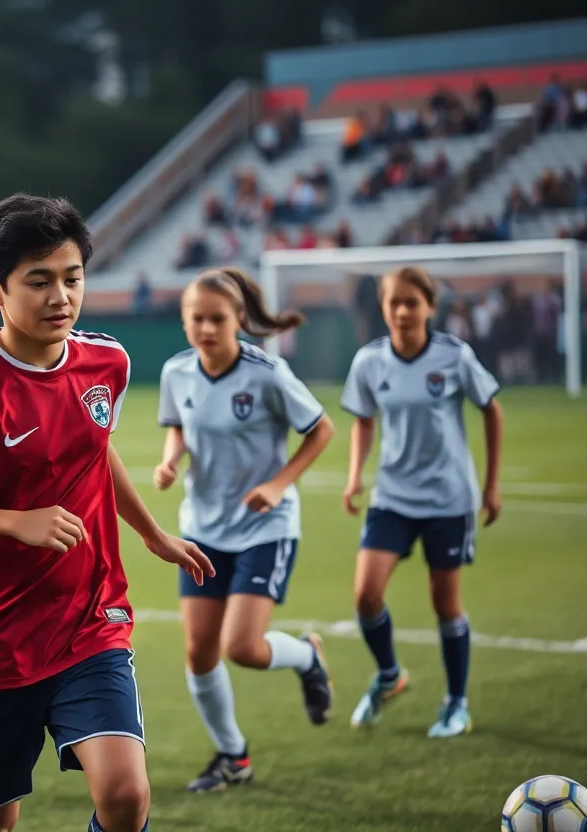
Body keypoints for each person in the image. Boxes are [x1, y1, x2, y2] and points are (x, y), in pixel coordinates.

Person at [0, 194, 214, 832]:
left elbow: (95, 448)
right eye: (39, 281)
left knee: (125, 796)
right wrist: (13, 520)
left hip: (90, 618)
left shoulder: (107, 361)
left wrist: (152, 533)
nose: (61, 297)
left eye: (72, 278)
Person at [152, 267, 335, 793]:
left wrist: (278, 485)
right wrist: (170, 459)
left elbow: (321, 429)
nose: (206, 329)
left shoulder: (268, 373)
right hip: (202, 529)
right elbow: (178, 425)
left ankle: (307, 656)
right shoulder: (176, 372)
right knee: (199, 652)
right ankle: (234, 756)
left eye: (217, 319)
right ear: (184, 321)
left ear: (238, 319)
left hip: (264, 528)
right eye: (197, 319)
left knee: (243, 648)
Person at [342, 265, 503, 738]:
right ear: (383, 307)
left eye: (411, 302)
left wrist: (491, 485)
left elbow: (491, 409)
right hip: (392, 496)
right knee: (366, 595)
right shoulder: (369, 361)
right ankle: (389, 675)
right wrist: (353, 477)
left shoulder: (454, 356)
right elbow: (364, 421)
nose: (402, 311)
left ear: (430, 307)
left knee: (445, 603)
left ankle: (456, 704)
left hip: (448, 499)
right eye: (393, 302)